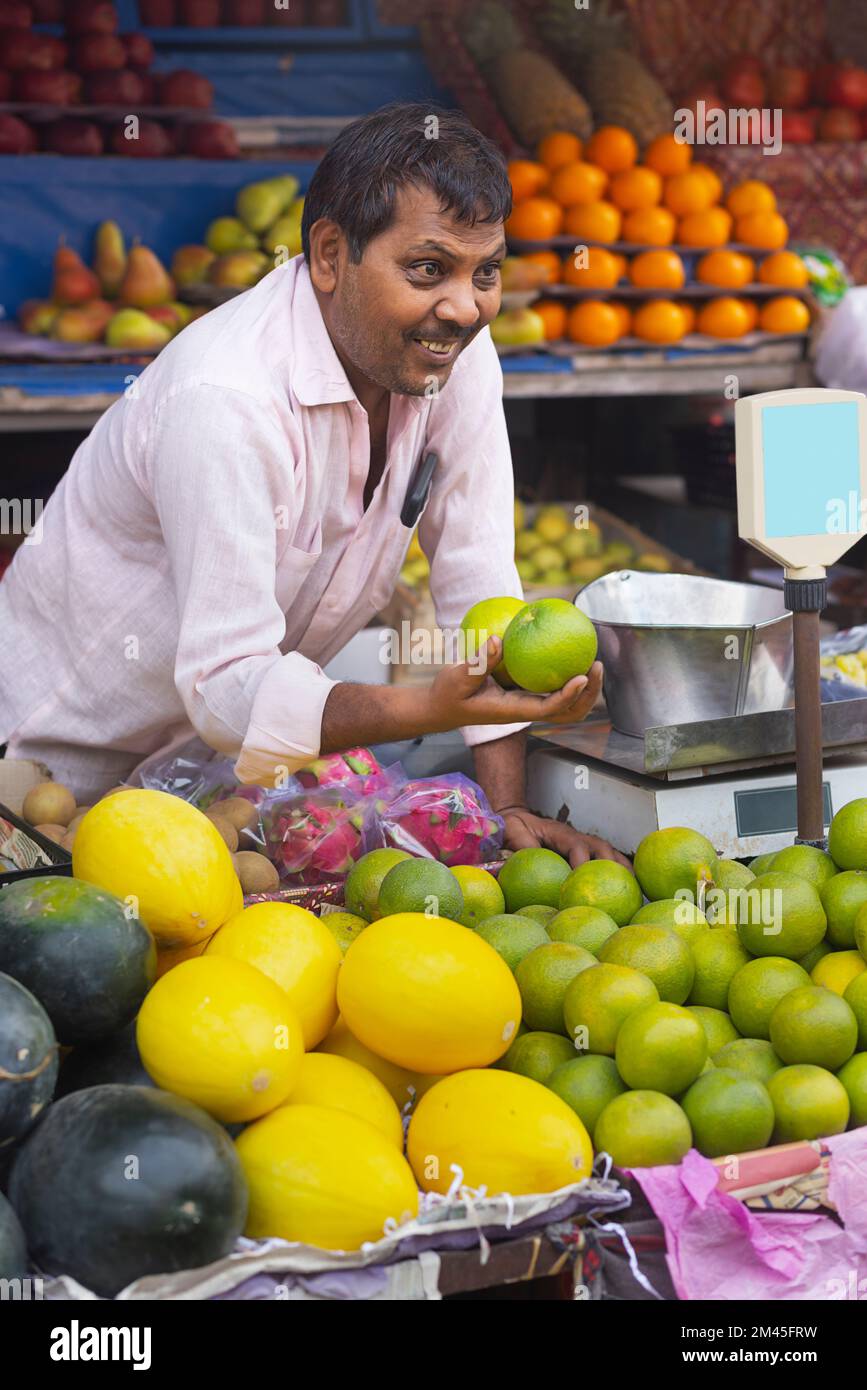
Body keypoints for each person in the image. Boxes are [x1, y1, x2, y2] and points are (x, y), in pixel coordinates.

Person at [0, 102, 625, 867]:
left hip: (202, 786)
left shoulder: (451, 357)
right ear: (330, 254)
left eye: (485, 271)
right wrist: (424, 708)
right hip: (45, 780)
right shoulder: (226, 399)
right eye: (428, 268)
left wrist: (507, 807)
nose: (465, 307)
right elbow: (227, 685)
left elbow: (480, 582)